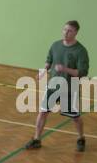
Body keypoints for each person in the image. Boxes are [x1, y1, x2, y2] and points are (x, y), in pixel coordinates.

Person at [25, 21, 89, 151]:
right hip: (53, 86)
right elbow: (49, 61)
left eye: (69, 31)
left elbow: (82, 72)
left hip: (70, 88)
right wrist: (43, 71)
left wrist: (65, 69)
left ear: (76, 33)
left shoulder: (81, 51)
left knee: (75, 117)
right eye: (64, 29)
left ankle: (81, 138)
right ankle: (37, 139)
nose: (66, 32)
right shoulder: (55, 45)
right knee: (43, 112)